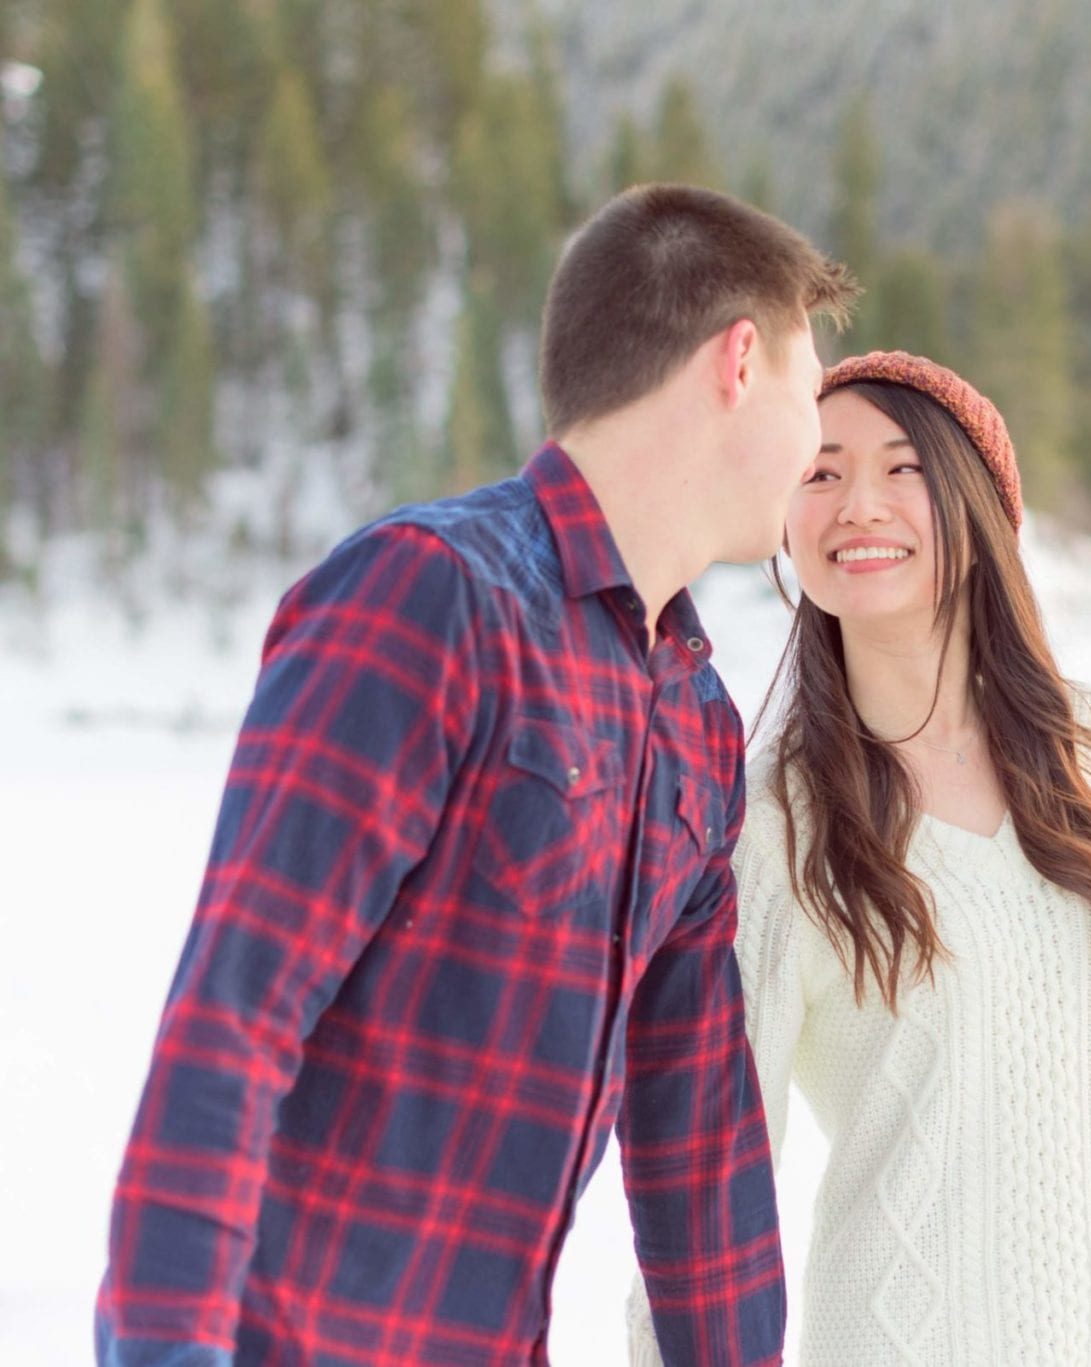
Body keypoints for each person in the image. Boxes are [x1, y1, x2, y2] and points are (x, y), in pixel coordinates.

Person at [96, 184, 856, 1366]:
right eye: (813, 396)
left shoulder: (695, 721)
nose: (815, 448)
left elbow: (697, 1137)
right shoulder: (429, 593)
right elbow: (235, 1010)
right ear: (739, 362)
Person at [627, 351, 1091, 1366]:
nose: (856, 504)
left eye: (901, 468)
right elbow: (715, 1158)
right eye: (818, 473)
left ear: (979, 506)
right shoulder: (775, 822)